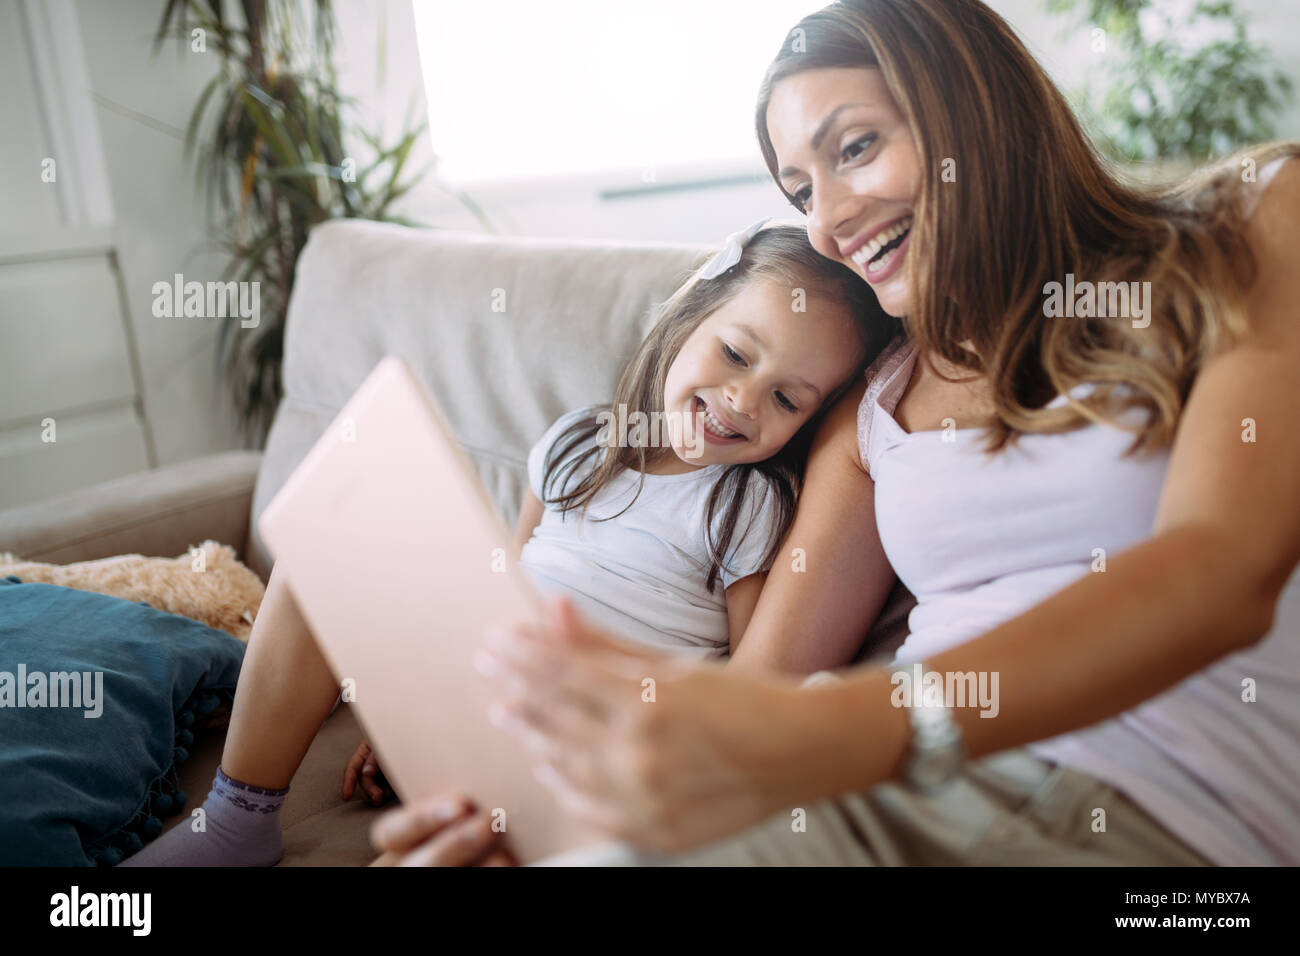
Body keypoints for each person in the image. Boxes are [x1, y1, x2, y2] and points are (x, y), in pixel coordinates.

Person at [384, 0, 1300, 866]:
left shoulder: (1250, 220)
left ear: (971, 103)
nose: (826, 224)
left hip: (1172, 840)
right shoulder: (871, 410)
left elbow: (1223, 567)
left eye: (854, 148)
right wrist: (547, 817)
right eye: (800, 192)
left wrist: (846, 734)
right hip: (881, 804)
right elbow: (757, 698)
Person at [120, 223, 895, 866]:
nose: (741, 399)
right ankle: (236, 819)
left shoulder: (742, 505)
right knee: (319, 561)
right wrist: (417, 714)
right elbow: (506, 583)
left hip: (579, 752)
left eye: (787, 398)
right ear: (690, 314)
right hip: (486, 701)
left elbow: (735, 685)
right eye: (735, 354)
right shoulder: (574, 445)